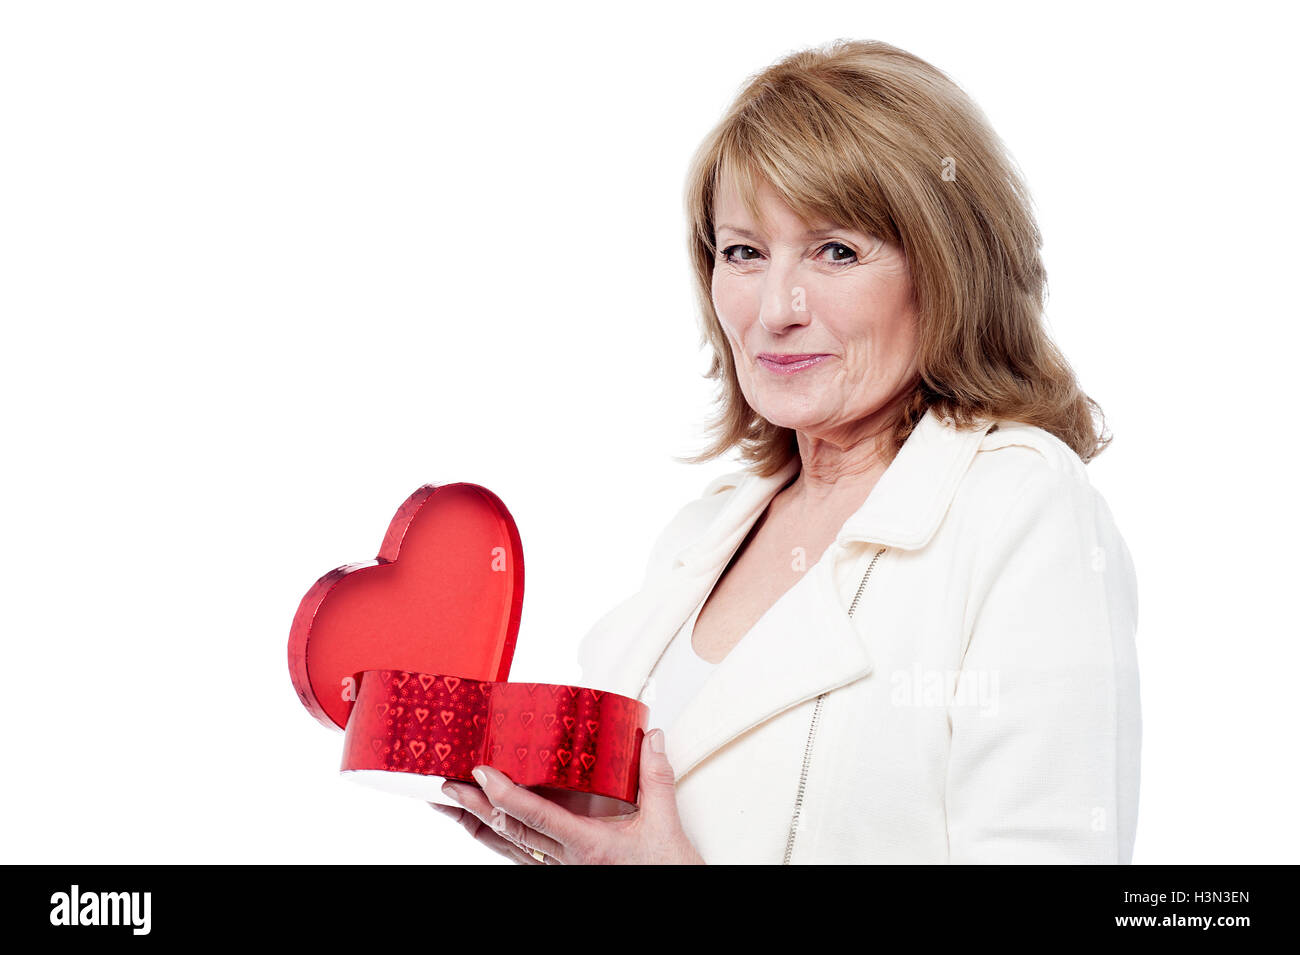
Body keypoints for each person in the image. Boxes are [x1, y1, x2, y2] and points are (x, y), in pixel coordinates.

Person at [431, 38, 1140, 864]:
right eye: (744, 252)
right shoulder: (699, 536)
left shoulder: (1022, 506)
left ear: (950, 269)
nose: (776, 308)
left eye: (836, 250)